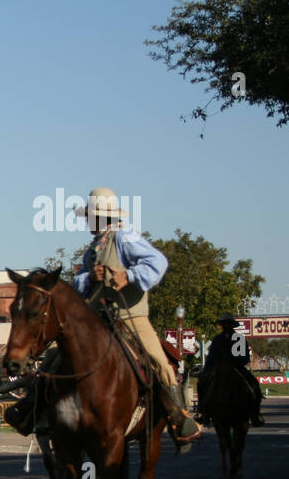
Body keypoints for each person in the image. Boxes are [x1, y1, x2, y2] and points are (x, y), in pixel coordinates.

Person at [70, 187, 201, 451]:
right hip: (97, 319)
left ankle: (180, 419)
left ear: (100, 217)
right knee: (57, 353)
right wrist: (89, 278)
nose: (86, 221)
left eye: (89, 216)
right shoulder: (94, 247)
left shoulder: (125, 238)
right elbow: (77, 283)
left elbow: (157, 262)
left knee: (159, 362)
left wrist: (129, 275)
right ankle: (37, 411)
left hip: (130, 318)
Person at [196, 315, 264, 427]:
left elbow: (245, 358)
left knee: (254, 384)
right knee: (202, 383)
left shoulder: (239, 339)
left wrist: (235, 362)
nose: (226, 326)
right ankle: (203, 412)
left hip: (236, 367)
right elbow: (211, 358)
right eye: (224, 324)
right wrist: (206, 371)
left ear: (232, 325)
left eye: (228, 323)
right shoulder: (217, 339)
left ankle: (255, 414)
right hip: (219, 368)